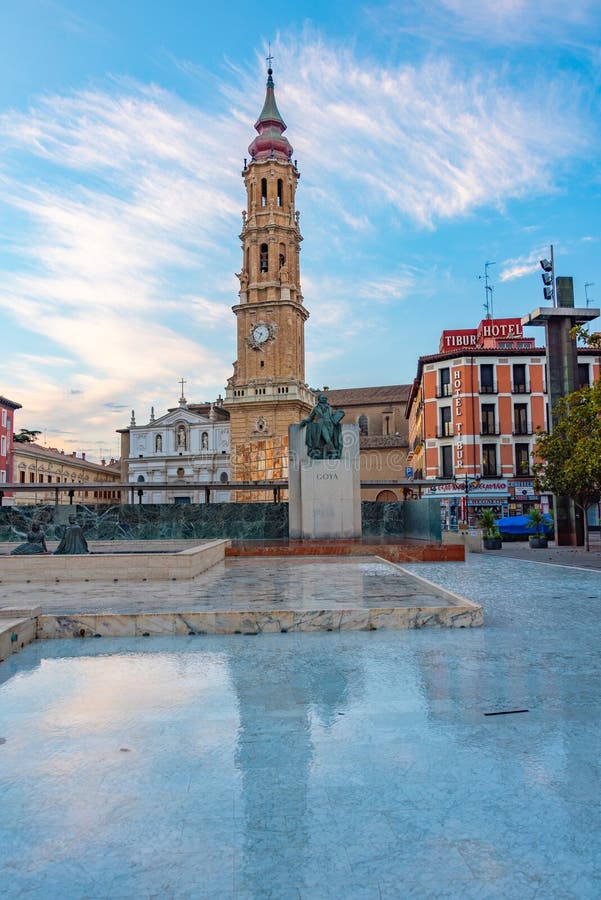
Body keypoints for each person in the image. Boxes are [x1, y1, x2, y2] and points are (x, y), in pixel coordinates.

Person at [300, 394, 345, 459]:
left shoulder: (329, 408)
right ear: (319, 399)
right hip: (321, 424)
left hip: (330, 424)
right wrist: (304, 421)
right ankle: (333, 452)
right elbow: (310, 418)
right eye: (322, 398)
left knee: (328, 439)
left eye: (325, 398)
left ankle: (327, 453)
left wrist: (339, 415)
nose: (324, 399)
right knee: (327, 438)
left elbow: (333, 417)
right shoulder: (316, 408)